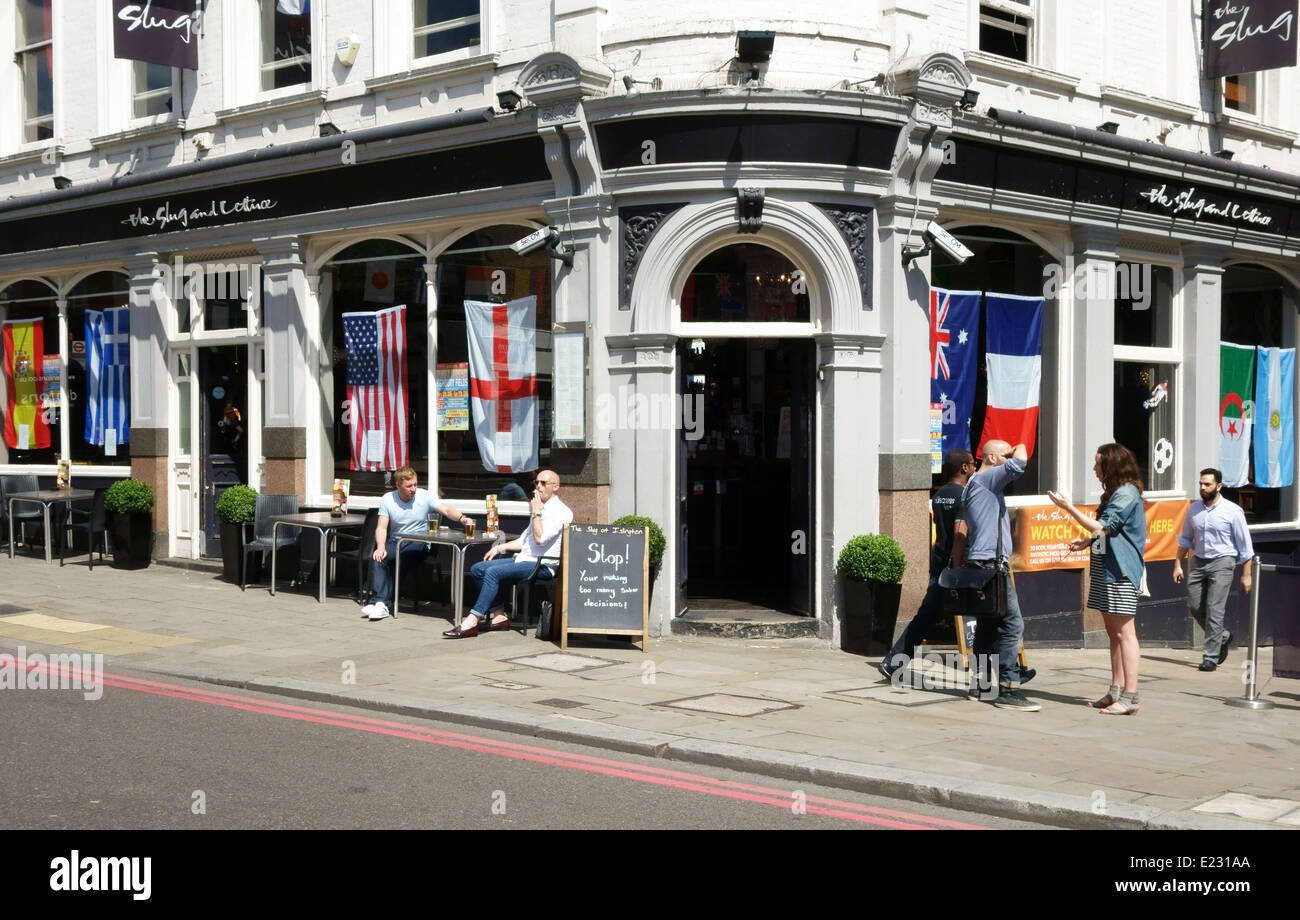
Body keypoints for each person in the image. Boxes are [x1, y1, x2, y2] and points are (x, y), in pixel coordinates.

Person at [1048, 443, 1146, 715]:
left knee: (1126, 633)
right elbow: (1104, 533)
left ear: (1111, 466)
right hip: (1106, 569)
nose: (1094, 468)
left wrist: (1069, 508)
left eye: (1098, 463)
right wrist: (1088, 541)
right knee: (1113, 633)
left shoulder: (1126, 493)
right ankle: (1116, 690)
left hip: (1121, 571)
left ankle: (1131, 696)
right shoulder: (1115, 493)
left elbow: (1106, 526)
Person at [951, 439, 1038, 711]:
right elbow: (1020, 461)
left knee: (987, 627)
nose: (1008, 456)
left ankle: (981, 685)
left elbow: (962, 532)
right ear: (991, 457)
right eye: (1003, 454)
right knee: (1012, 626)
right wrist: (1016, 449)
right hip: (991, 565)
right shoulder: (987, 480)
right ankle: (1008, 688)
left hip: (979, 564)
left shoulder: (974, 486)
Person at [877, 449, 974, 679]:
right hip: (955, 568)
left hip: (939, 565)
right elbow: (959, 533)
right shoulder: (964, 496)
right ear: (963, 468)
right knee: (987, 615)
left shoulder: (939, 496)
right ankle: (1003, 669)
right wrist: (959, 566)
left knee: (925, 616)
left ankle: (894, 661)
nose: (975, 467)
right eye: (972, 463)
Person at [444, 469, 573, 638]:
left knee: (493, 572)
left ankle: (472, 620)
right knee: (478, 569)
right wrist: (499, 548)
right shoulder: (539, 508)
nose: (538, 487)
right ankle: (499, 616)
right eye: (536, 483)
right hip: (523, 559)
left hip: (542, 564)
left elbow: (540, 539)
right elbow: (524, 541)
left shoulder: (561, 512)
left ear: (556, 487)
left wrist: (536, 513)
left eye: (543, 483)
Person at [361, 467, 471, 622]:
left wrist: (462, 518)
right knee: (378, 557)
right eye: (409, 486)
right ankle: (379, 602)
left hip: (419, 543)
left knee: (402, 557)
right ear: (398, 485)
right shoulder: (387, 499)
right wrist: (380, 547)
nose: (413, 489)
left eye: (415, 484)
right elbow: (381, 527)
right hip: (397, 541)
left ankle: (381, 603)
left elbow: (445, 509)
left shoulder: (424, 496)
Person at [1174, 468, 1254, 672]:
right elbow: (1185, 538)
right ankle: (1223, 636)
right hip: (1199, 561)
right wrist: (1177, 564)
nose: (1202, 488)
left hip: (1223, 562)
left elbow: (1245, 547)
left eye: (1207, 484)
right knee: (1194, 605)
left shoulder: (1232, 511)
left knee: (1214, 609)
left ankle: (1210, 656)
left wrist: (1247, 574)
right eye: (1200, 483)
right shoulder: (1194, 509)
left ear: (1218, 486)